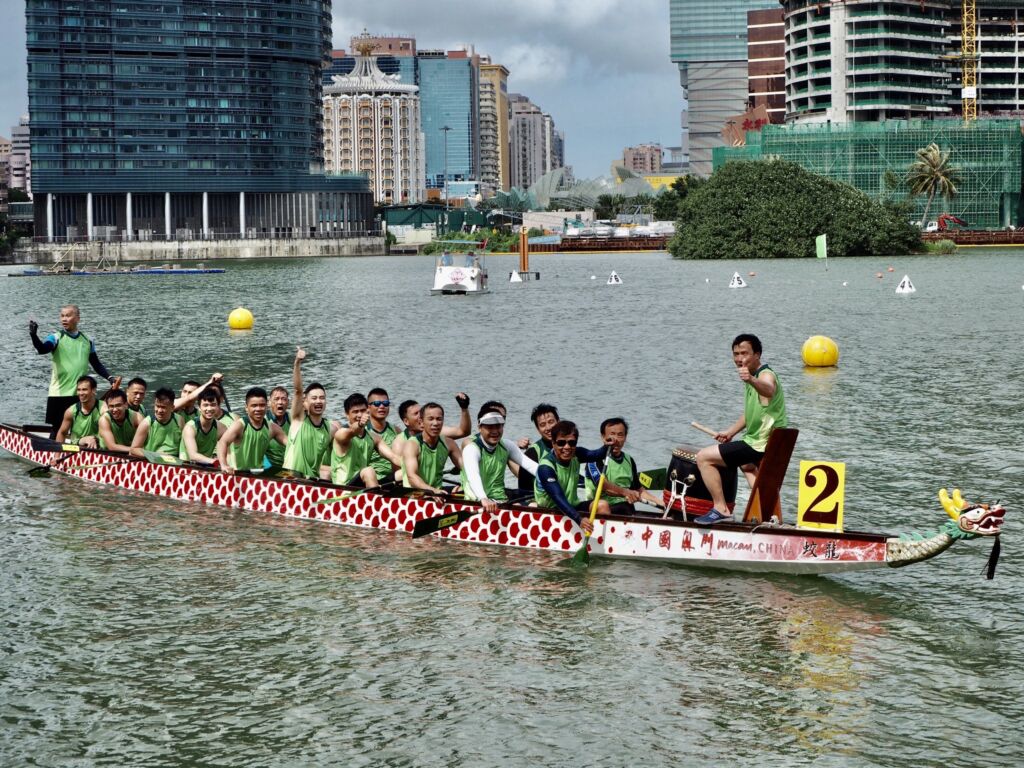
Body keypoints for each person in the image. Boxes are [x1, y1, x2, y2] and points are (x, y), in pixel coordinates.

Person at [694, 333, 788, 525]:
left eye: (744, 353)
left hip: (761, 443)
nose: (739, 358)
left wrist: (751, 381)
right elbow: (751, 412)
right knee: (747, 465)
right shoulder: (752, 376)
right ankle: (767, 513)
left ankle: (721, 509)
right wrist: (730, 432)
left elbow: (768, 388)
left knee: (703, 457)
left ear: (757, 355)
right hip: (763, 441)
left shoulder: (764, 375)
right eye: (735, 354)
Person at [29, 305, 116, 438]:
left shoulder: (88, 340)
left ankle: (80, 450)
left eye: (68, 315)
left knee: (80, 426)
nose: (64, 319)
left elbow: (96, 364)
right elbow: (42, 349)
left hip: (80, 392)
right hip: (59, 393)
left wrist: (109, 378)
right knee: (58, 428)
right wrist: (34, 335)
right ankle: (52, 455)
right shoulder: (56, 338)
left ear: (77, 318)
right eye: (62, 316)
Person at [533, 420, 610, 534]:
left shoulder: (576, 454)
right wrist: (579, 519)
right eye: (561, 443)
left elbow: (598, 454)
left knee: (603, 505)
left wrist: (608, 444)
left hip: (572, 506)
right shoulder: (546, 467)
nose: (567, 447)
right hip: (551, 511)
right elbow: (558, 497)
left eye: (572, 443)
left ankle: (600, 539)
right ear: (553, 443)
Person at [461, 405, 539, 513]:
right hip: (478, 503)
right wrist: (483, 498)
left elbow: (531, 466)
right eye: (490, 427)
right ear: (480, 427)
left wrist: (553, 479)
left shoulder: (506, 445)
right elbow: (473, 476)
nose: (495, 431)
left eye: (498, 426)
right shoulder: (471, 449)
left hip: (500, 501)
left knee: (535, 503)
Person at [584, 418, 662, 515]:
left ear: (625, 437)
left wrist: (661, 503)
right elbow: (604, 486)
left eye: (620, 435)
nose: (616, 440)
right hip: (600, 509)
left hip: (625, 508)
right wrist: (626, 492)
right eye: (612, 434)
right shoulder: (594, 459)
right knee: (603, 506)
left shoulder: (629, 460)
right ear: (603, 437)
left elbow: (639, 490)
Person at [282, 347, 335, 479]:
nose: (318, 401)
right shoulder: (298, 418)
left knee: (329, 474)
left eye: (322, 398)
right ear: (305, 402)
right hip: (288, 477)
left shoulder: (331, 428)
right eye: (314, 398)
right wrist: (297, 363)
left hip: (311, 480)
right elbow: (298, 390)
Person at [390, 394, 472, 479]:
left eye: (421, 412)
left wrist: (464, 408)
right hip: (409, 483)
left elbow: (463, 431)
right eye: (416, 414)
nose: (420, 415)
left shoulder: (436, 430)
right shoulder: (399, 443)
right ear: (406, 421)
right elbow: (398, 475)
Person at [217, 387, 287, 473]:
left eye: (262, 405)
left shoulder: (272, 428)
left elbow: (291, 445)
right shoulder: (239, 425)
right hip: (237, 473)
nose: (258, 409)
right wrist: (223, 465)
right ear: (246, 408)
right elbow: (222, 443)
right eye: (254, 406)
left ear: (266, 406)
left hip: (258, 473)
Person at [402, 402, 464, 494]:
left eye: (439, 419)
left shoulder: (449, 443)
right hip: (414, 493)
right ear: (421, 422)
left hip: (437, 491)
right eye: (430, 419)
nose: (435, 423)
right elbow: (412, 477)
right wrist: (433, 491)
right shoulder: (412, 445)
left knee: (464, 490)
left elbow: (467, 469)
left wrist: (466, 486)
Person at [329, 393, 381, 488]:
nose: (360, 414)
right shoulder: (341, 434)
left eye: (363, 411)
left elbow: (393, 457)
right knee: (368, 470)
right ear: (347, 415)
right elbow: (353, 431)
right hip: (343, 488)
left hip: (362, 483)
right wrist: (360, 424)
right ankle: (377, 501)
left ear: (368, 411)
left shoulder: (373, 437)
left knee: (400, 474)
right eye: (355, 412)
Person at [516, 403, 560, 498]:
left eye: (551, 422)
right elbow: (523, 491)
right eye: (542, 425)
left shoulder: (569, 446)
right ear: (538, 429)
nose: (548, 428)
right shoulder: (532, 453)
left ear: (558, 422)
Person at [130, 388, 183, 457]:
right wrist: (156, 456)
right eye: (157, 406)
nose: (159, 410)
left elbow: (184, 445)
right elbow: (133, 449)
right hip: (154, 460)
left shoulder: (179, 420)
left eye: (163, 407)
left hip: (175, 459)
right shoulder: (146, 423)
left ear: (172, 408)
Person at [54, 375, 102, 448]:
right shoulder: (70, 411)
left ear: (93, 390)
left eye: (84, 389)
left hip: (97, 447)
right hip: (76, 448)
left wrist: (95, 439)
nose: (81, 393)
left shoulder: (103, 408)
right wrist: (57, 456)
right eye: (78, 390)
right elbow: (62, 433)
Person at [181, 389, 226, 465]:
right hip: (186, 465)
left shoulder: (221, 428)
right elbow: (193, 455)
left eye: (213, 405)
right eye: (205, 405)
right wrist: (214, 461)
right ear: (199, 408)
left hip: (208, 465)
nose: (209, 409)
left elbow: (232, 448)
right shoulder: (190, 427)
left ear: (218, 406)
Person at [365, 387, 399, 483]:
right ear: (368, 407)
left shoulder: (396, 430)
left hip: (393, 477)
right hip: (372, 480)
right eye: (376, 404)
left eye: (385, 403)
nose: (382, 406)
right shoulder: (363, 430)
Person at [265, 386, 291, 470]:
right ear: (269, 403)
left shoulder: (293, 420)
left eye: (283, 399)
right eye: (276, 399)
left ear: (288, 402)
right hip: (271, 467)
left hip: (292, 465)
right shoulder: (263, 421)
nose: (280, 402)